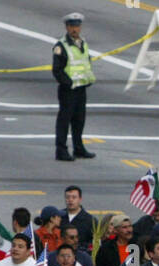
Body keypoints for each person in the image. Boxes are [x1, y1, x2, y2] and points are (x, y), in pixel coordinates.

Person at [52, 13, 95, 161]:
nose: (74, 29)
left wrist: (87, 79)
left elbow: (86, 62)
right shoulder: (61, 46)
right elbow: (57, 70)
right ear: (67, 27)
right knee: (64, 120)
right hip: (68, 90)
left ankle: (78, 147)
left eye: (77, 26)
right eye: (72, 26)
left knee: (79, 119)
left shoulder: (83, 42)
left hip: (81, 88)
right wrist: (68, 83)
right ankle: (61, 150)